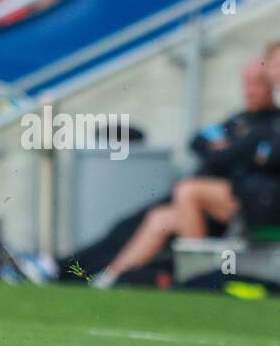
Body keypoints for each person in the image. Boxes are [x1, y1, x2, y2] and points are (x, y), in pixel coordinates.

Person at [88, 60, 280, 287]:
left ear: (271, 86)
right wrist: (228, 151)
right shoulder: (238, 119)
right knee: (158, 219)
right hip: (219, 201)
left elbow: (237, 155)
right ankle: (109, 277)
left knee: (188, 190)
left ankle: (195, 277)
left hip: (250, 204)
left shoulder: (271, 123)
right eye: (246, 85)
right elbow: (199, 140)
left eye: (256, 85)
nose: (249, 91)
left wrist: (227, 150)